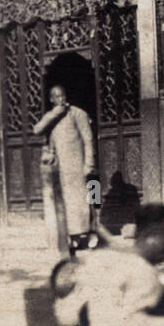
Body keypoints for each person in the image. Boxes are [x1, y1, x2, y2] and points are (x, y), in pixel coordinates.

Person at [33, 84, 95, 249]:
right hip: (60, 168)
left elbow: (88, 139)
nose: (61, 99)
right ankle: (71, 236)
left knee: (85, 199)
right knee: (65, 202)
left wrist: (89, 163)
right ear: (51, 99)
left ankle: (88, 233)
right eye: (57, 97)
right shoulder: (51, 117)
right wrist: (54, 114)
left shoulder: (77, 113)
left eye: (63, 96)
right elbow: (37, 130)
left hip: (77, 166)